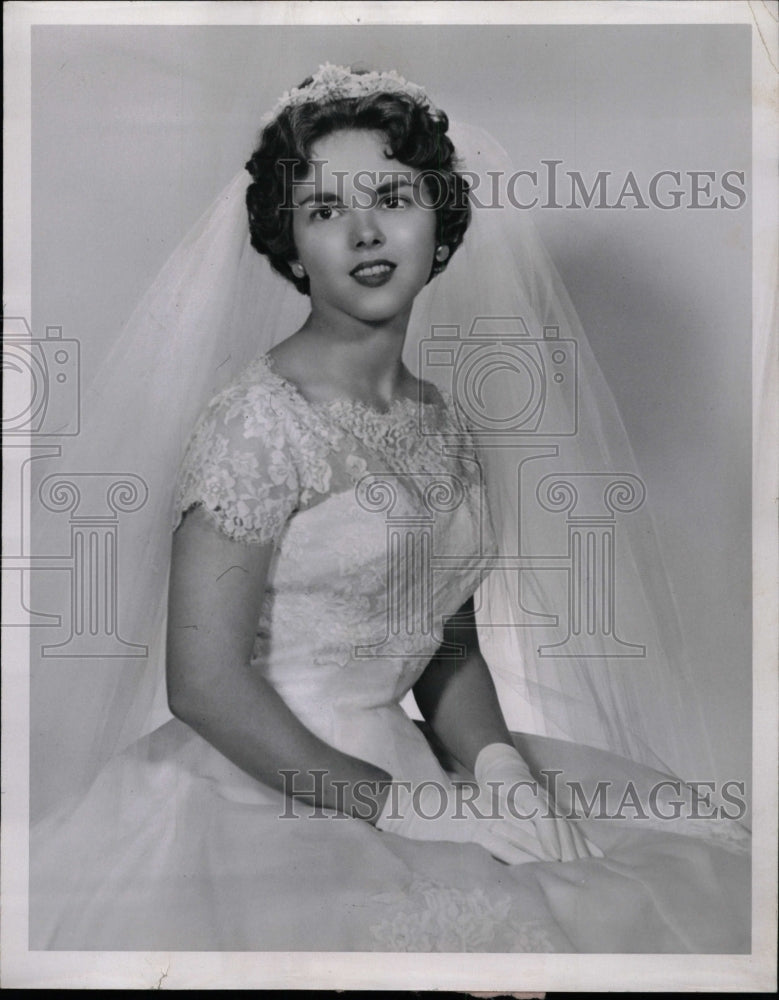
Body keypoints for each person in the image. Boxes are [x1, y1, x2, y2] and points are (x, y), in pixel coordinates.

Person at [30, 65, 750, 953]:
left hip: (413, 758)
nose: (365, 232)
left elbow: (439, 639)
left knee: (684, 881)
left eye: (392, 197)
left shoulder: (438, 419)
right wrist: (400, 807)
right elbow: (203, 682)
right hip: (269, 781)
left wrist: (495, 768)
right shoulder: (258, 421)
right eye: (324, 210)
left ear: (437, 221)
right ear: (289, 246)